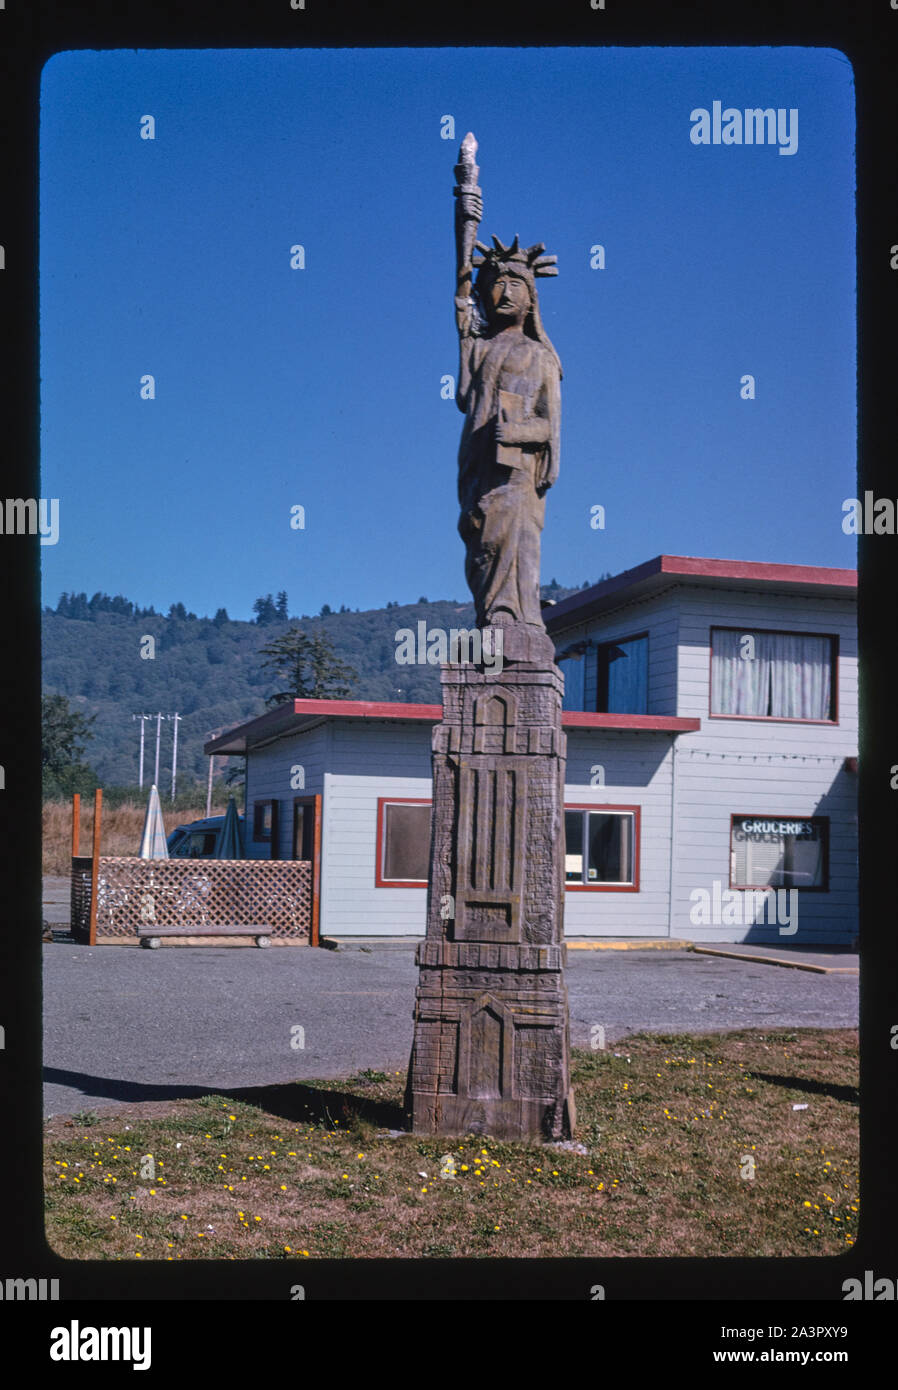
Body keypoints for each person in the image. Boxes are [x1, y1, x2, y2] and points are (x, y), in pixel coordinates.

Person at [454, 187, 562, 631]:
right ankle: (490, 617)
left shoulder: (542, 357)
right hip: (479, 471)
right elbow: (464, 394)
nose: (503, 293)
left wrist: (516, 433)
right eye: (495, 283)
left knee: (511, 541)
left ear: (531, 296)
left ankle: (514, 618)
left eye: (515, 284)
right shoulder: (479, 349)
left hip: (517, 478)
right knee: (481, 542)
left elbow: (549, 428)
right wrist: (464, 223)